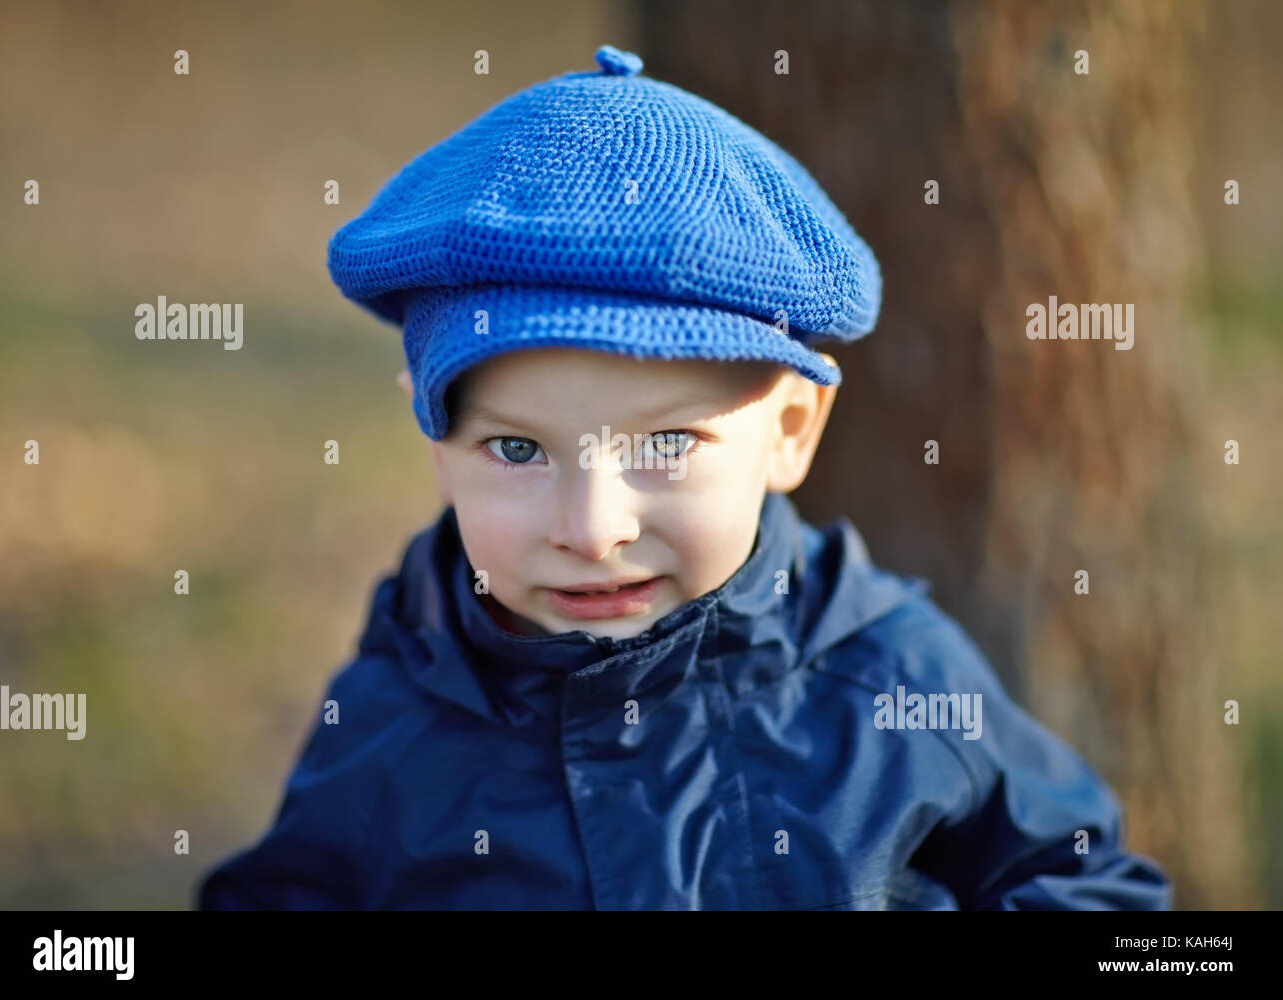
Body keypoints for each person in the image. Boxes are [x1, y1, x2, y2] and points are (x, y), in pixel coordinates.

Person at [197, 45, 1171, 910]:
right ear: (434, 440)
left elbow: (1089, 879)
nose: (593, 528)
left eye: (665, 446)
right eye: (519, 450)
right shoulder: (395, 717)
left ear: (789, 432)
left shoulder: (891, 684)